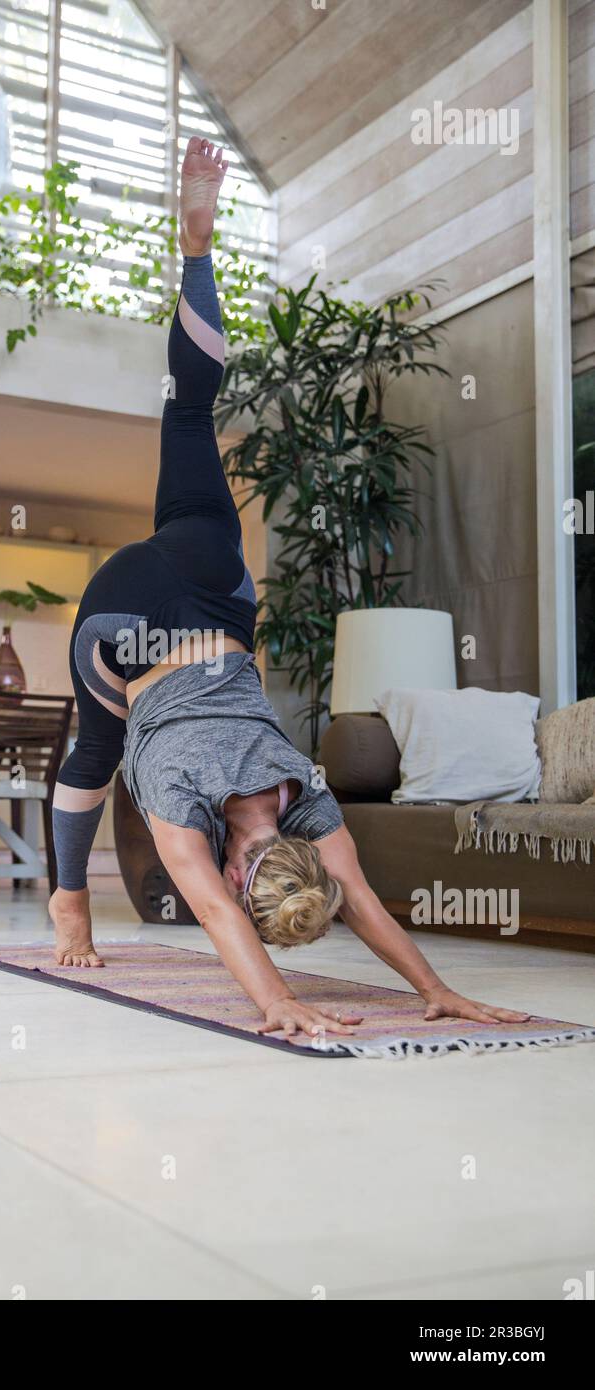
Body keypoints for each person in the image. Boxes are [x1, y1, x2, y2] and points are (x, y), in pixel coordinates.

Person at [48, 136, 529, 1045]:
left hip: (212, 588)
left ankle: (198, 251)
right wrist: (278, 1002)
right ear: (239, 875)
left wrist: (439, 988)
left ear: (303, 857)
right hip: (124, 619)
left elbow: (362, 904)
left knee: (190, 412)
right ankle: (68, 902)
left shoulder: (307, 795)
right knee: (96, 748)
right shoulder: (183, 809)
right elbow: (241, 918)